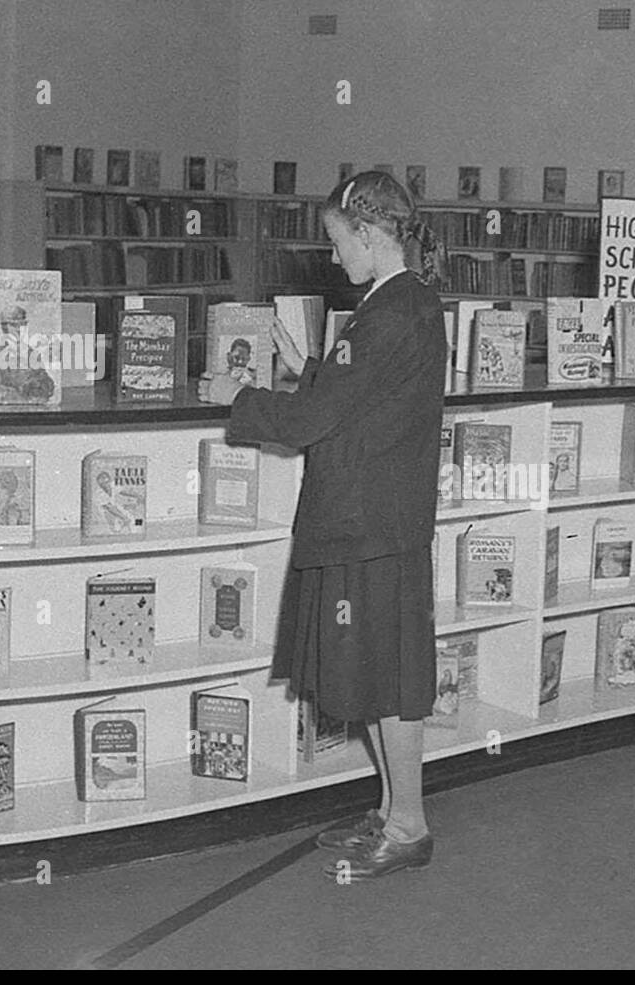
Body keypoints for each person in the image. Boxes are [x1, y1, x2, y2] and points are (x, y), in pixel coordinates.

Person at [199, 170, 447, 880]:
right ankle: (393, 807)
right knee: (375, 670)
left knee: (390, 680)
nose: (335, 259)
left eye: (340, 243)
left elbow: (312, 422)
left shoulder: (387, 311)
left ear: (369, 235)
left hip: (370, 524)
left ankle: (409, 825)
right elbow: (361, 399)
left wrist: (235, 393)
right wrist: (308, 365)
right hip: (378, 518)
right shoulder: (405, 303)